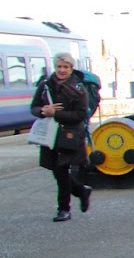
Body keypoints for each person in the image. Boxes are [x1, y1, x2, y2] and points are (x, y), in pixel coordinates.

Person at [31, 51, 93, 223]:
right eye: (59, 66)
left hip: (69, 135)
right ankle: (81, 190)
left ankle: (64, 209)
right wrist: (43, 111)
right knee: (55, 170)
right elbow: (34, 107)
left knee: (62, 170)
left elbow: (80, 115)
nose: (62, 70)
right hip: (49, 135)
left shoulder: (79, 89)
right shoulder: (45, 85)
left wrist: (56, 114)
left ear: (71, 69)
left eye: (65, 67)